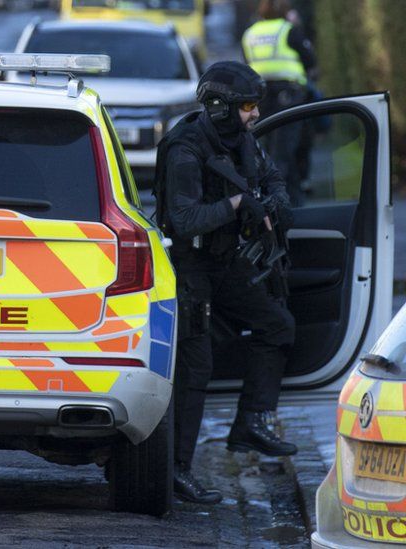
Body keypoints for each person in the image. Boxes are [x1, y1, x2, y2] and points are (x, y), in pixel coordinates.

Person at [154, 61, 297, 505]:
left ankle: (252, 423)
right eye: (249, 106)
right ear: (221, 108)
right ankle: (176, 469)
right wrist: (237, 204)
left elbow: (272, 179)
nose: (255, 114)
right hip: (191, 264)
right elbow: (182, 219)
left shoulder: (243, 141)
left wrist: (273, 201)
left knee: (277, 325)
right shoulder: (185, 148)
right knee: (196, 367)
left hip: (226, 260)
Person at [242, 0, 317, 205]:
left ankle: (295, 202)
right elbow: (310, 60)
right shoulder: (288, 30)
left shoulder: (250, 33)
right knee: (283, 151)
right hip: (289, 96)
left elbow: (247, 64)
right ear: (285, 11)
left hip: (260, 97)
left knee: (266, 147)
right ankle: (277, 203)